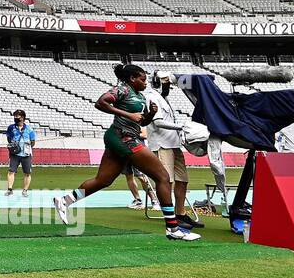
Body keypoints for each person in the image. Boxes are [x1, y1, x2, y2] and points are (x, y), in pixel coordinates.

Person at [54, 64, 200, 241]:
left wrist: (151, 114)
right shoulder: (122, 89)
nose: (145, 83)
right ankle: (172, 228)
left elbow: (142, 123)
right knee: (162, 177)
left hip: (120, 138)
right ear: (132, 79)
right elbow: (100, 102)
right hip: (124, 138)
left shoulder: (138, 96)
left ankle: (65, 200)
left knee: (103, 180)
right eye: (142, 79)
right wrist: (128, 115)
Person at [146, 75, 202, 230]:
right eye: (166, 84)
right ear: (157, 83)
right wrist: (181, 126)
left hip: (174, 144)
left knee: (182, 180)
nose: (168, 87)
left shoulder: (164, 99)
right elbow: (158, 123)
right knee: (166, 181)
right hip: (162, 145)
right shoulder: (152, 97)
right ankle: (170, 217)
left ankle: (181, 214)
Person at [4, 109, 36, 197]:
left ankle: (25, 190)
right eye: (15, 116)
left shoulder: (29, 129)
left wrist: (30, 143)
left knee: (27, 173)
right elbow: (9, 138)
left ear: (22, 118)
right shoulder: (11, 127)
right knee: (11, 171)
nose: (15, 118)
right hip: (15, 153)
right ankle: (9, 189)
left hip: (26, 154)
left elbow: (33, 142)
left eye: (17, 116)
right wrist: (13, 145)